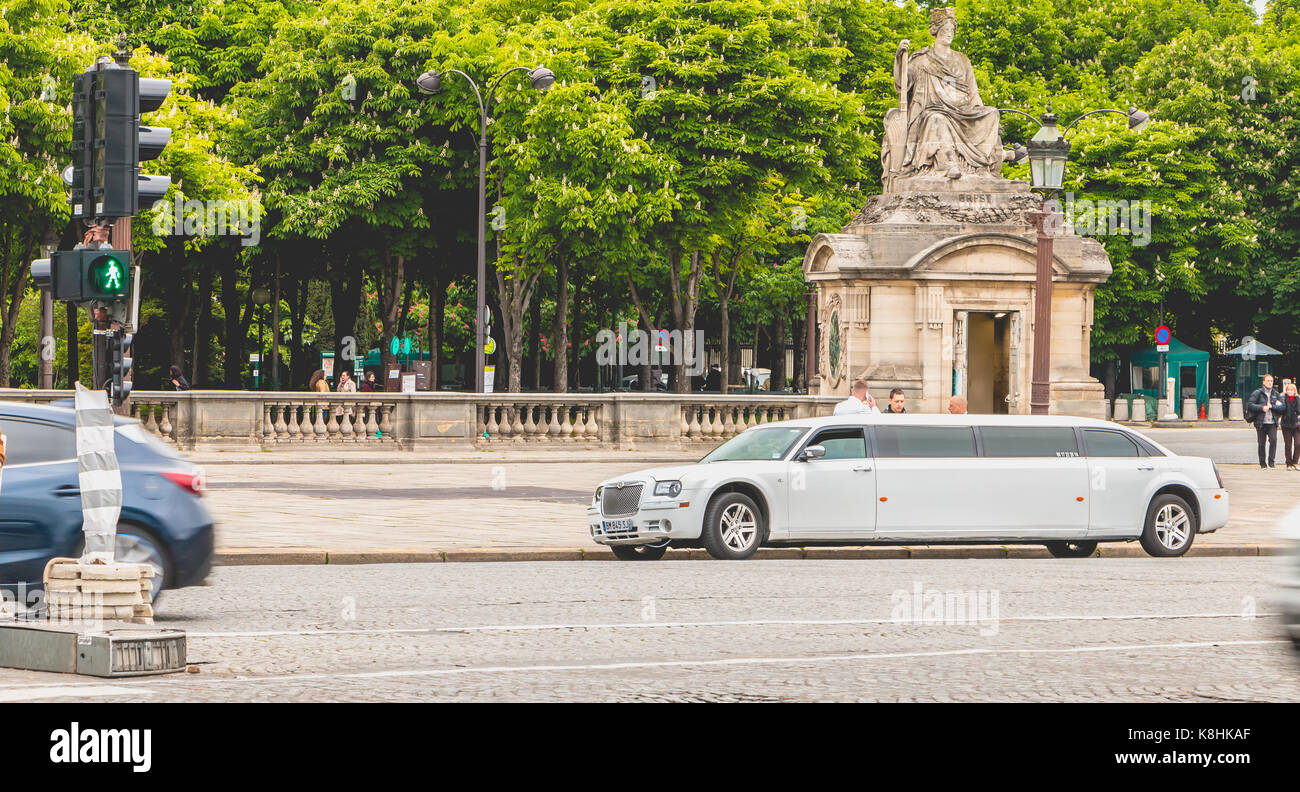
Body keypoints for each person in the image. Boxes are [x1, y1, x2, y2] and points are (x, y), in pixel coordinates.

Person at [1248, 373, 1285, 469]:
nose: (1269, 382)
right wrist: (1261, 408)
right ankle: (1262, 463)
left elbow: (1282, 407)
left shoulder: (1276, 394)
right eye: (1268, 380)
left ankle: (1271, 462)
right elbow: (1250, 405)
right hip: (1260, 423)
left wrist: (1272, 407)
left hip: (1272, 423)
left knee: (1273, 441)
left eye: (1271, 381)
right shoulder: (1257, 393)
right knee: (1261, 444)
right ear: (1263, 382)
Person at [1281, 380, 1300, 471]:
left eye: (1291, 390)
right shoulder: (1283, 398)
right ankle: (1289, 463)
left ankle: (1295, 462)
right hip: (1286, 425)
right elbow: (1281, 409)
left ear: (1295, 391)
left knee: (1298, 444)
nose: (1289, 391)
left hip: (1296, 425)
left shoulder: (1298, 399)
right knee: (1288, 445)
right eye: (1288, 390)